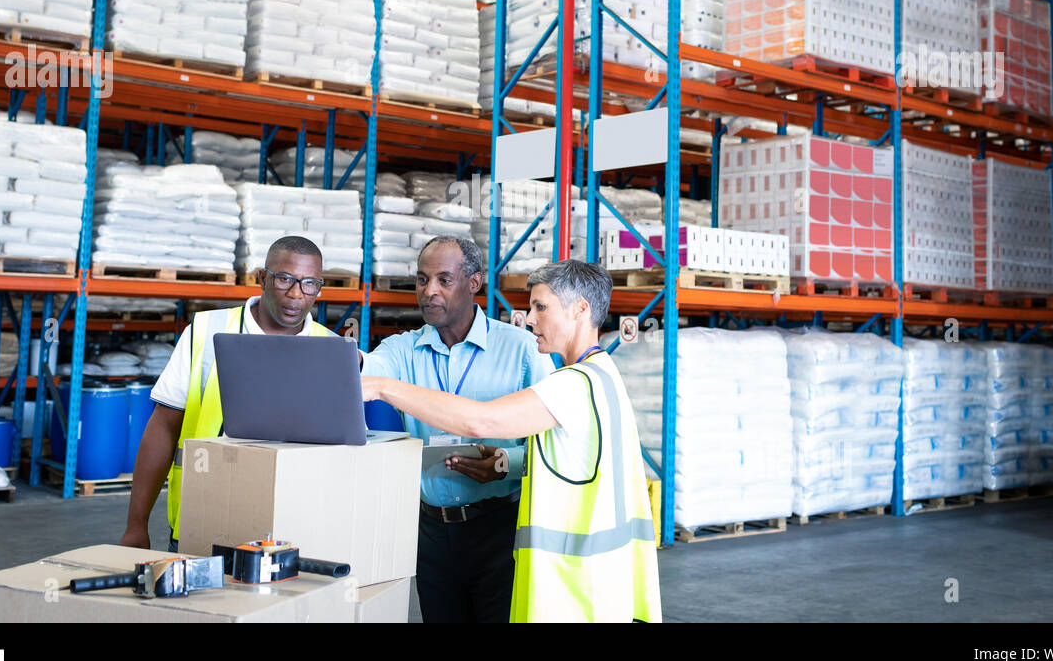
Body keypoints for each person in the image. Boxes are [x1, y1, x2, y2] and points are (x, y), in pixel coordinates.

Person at [362, 258, 661, 623]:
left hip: (573, 583)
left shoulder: (571, 385)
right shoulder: (602, 374)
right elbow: (566, 458)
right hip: (597, 578)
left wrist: (383, 388)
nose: (530, 318)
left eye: (541, 307)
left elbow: (479, 420)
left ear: (580, 310)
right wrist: (505, 461)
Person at [360, 236, 553, 623]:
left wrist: (506, 462)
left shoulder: (522, 351)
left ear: (474, 283)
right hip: (431, 533)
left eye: (443, 280)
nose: (428, 291)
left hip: (501, 529)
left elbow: (550, 444)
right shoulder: (400, 350)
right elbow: (365, 371)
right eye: (421, 279)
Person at [120, 235, 336, 552]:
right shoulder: (205, 331)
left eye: (309, 284)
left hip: (290, 530)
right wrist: (136, 525)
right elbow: (164, 427)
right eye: (284, 279)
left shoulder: (329, 349)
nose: (295, 294)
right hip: (202, 520)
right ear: (262, 278)